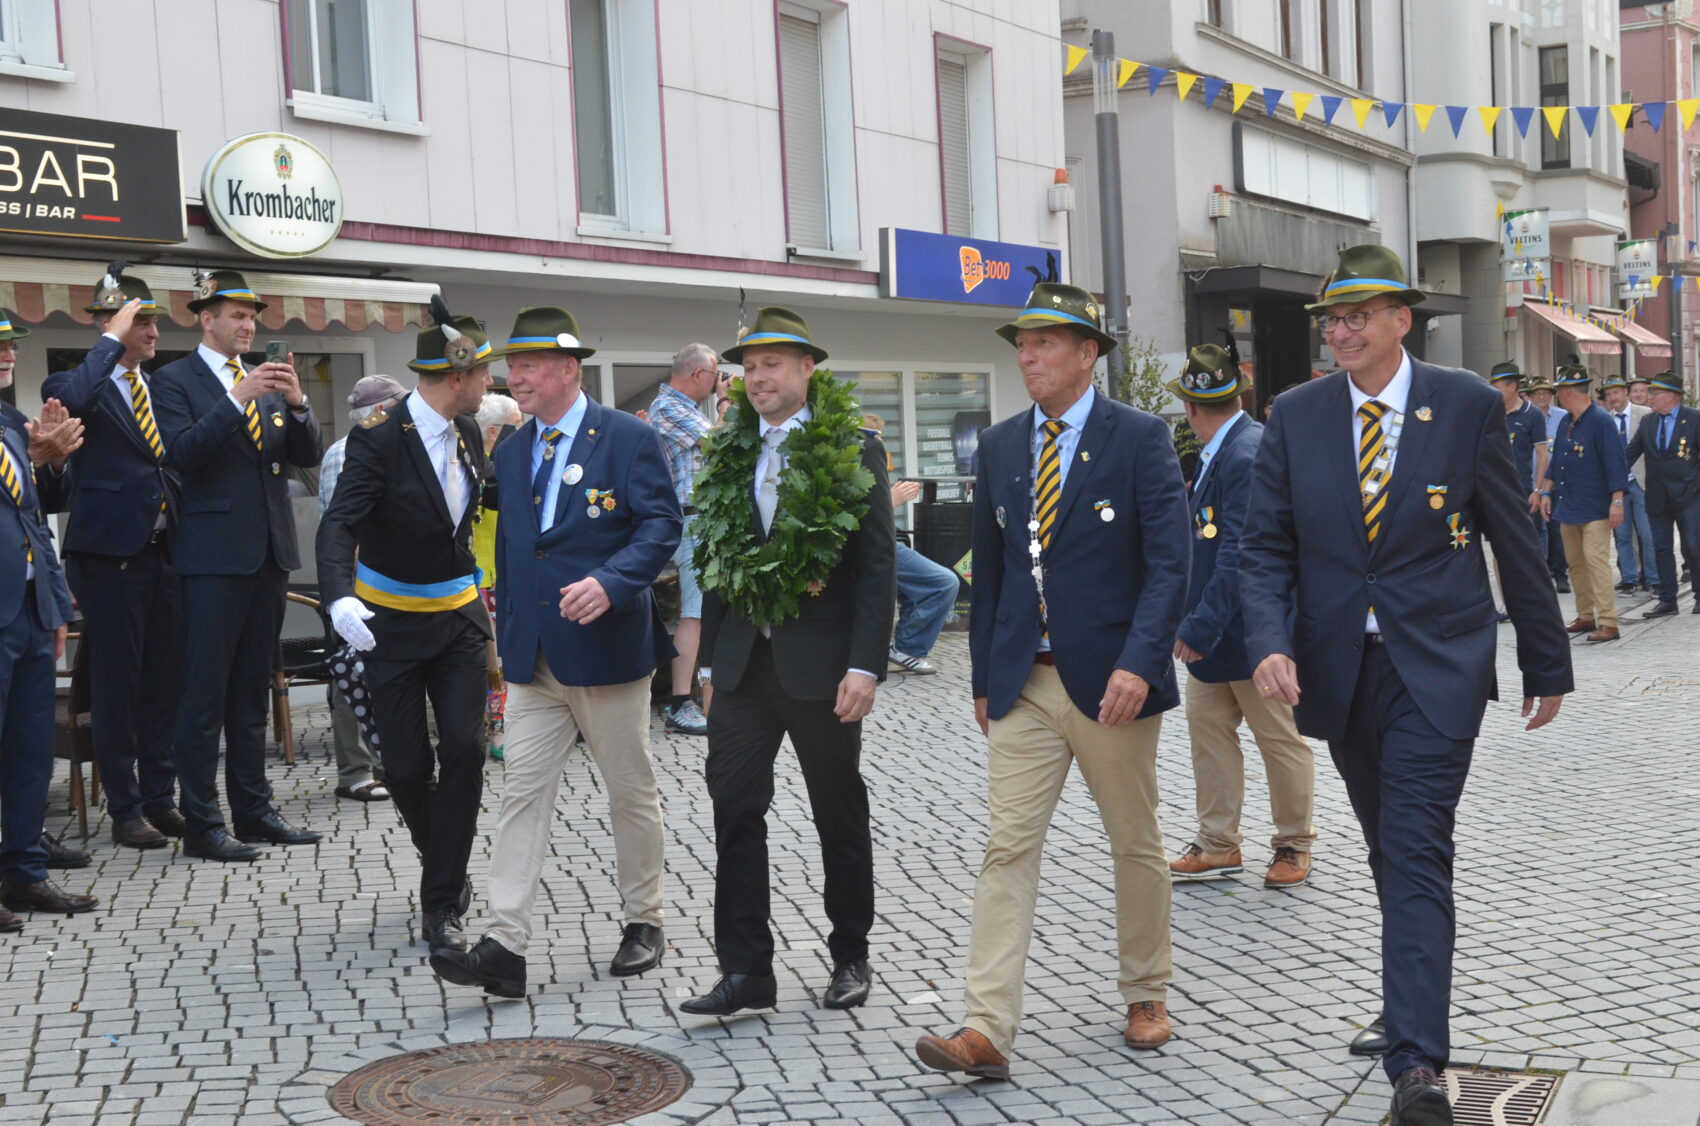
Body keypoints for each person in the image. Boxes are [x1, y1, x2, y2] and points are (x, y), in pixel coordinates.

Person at [1239, 245, 1572, 1126]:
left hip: (1439, 667)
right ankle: (1406, 994)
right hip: (1342, 672)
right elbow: (1265, 545)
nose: (1341, 332)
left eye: (1359, 316)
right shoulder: (1297, 415)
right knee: (1390, 846)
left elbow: (1509, 535)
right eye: (1331, 320)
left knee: (1418, 847)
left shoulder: (1462, 404)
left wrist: (1547, 661)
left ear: (1401, 321)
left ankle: (1417, 1063)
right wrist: (1268, 640)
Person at [914, 283, 1189, 1078]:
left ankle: (1145, 990)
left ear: (1087, 354)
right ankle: (985, 1028)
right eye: (1022, 345)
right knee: (1007, 847)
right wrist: (981, 679)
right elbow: (990, 574)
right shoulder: (1002, 447)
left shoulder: (1138, 439)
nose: (1028, 357)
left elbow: (1172, 565)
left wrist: (1140, 663)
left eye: (1045, 343)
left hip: (1111, 684)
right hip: (1024, 684)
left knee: (1133, 841)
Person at [432, 306, 680, 998]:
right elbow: (517, 554)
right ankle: (505, 945)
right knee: (520, 796)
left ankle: (644, 919)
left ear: (570, 371)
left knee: (629, 794)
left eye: (530, 365)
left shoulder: (627, 437)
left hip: (607, 654)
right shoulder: (510, 450)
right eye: (513, 366)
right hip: (533, 658)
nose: (516, 377)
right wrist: (505, 638)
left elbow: (662, 524)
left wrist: (612, 581)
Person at [681, 306, 895, 1017]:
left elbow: (875, 570)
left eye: (775, 364)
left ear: (808, 369)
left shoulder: (852, 449)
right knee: (735, 810)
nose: (760, 377)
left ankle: (850, 955)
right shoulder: (728, 450)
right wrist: (707, 667)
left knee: (838, 811)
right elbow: (715, 563)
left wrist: (865, 665)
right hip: (742, 668)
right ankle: (747, 972)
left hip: (822, 669)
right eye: (750, 366)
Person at [318, 300, 496, 963]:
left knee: (466, 750)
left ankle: (441, 900)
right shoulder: (378, 436)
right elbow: (339, 523)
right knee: (405, 766)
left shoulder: (470, 432)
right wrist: (338, 598)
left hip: (457, 621)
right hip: (385, 625)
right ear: (458, 373)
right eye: (485, 375)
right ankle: (442, 854)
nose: (490, 386)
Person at [150, 269, 325, 862]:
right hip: (210, 558)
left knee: (253, 690)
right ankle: (202, 823)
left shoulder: (270, 382)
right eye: (236, 315)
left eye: (253, 316)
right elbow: (180, 455)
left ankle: (253, 812)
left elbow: (307, 456)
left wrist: (298, 403)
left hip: (269, 552)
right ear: (206, 318)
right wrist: (237, 398)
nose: (248, 324)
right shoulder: (173, 380)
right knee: (204, 695)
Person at [41, 272, 187, 850]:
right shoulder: (79, 381)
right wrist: (110, 343)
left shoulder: (157, 386)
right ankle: (124, 807)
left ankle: (160, 796)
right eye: (140, 322)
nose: (153, 332)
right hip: (108, 555)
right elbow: (72, 402)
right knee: (117, 684)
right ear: (110, 324)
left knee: (162, 682)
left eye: (153, 321)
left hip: (164, 550)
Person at [1164, 344, 1316, 890]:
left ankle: (1294, 843)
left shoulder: (1245, 453)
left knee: (1278, 739)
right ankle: (1217, 843)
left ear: (1191, 407)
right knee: (1210, 737)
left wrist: (1199, 624)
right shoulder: (1227, 449)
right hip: (1219, 632)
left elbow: (1239, 554)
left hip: (1253, 634)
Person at [0, 308, 97, 929]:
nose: (8, 358)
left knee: (31, 750)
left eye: (11, 348)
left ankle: (26, 872)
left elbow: (35, 516)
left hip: (30, 613)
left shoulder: (11, 423)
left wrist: (57, 603)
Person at [316, 374, 407, 804]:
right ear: (378, 412)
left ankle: (388, 762)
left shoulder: (391, 444)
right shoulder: (346, 451)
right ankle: (355, 771)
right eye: (398, 404)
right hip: (355, 584)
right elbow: (346, 528)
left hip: (386, 579)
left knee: (383, 672)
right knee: (348, 674)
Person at [648, 344, 721, 735]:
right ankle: (680, 702)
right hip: (688, 521)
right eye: (715, 376)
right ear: (697, 374)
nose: (717, 384)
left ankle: (696, 695)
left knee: (701, 612)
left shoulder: (686, 411)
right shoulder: (668, 408)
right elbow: (721, 447)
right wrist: (726, 406)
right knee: (694, 614)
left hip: (700, 522)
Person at [862, 413, 959, 676]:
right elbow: (856, 515)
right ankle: (909, 649)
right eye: (876, 437)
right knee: (943, 582)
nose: (880, 443)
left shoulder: (868, 462)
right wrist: (891, 501)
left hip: (885, 541)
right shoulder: (855, 463)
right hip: (875, 545)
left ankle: (907, 647)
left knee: (928, 585)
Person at [1540, 365, 1628, 644]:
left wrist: (1617, 501)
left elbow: (1616, 463)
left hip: (1595, 506)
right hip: (1568, 504)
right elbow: (1556, 462)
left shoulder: (1601, 421)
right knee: (1576, 564)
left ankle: (1609, 621)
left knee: (1595, 561)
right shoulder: (1567, 421)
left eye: (1558, 391)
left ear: (1567, 392)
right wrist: (1545, 492)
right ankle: (1585, 615)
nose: (1557, 396)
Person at [1626, 370, 1700, 617]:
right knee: (1661, 547)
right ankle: (1668, 600)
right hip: (1657, 495)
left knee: (1693, 546)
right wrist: (1609, 476)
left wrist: (1696, 484)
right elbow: (1631, 452)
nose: (1650, 397)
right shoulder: (1648, 422)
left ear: (1672, 396)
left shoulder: (1694, 418)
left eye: (1655, 393)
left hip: (1689, 494)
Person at [1489, 363, 1549, 620]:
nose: (1493, 391)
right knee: (1498, 551)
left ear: (1513, 387)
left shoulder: (1532, 414)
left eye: (1497, 387)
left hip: (1523, 492)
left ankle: (1533, 602)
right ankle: (1508, 606)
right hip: (1493, 491)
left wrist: (1539, 489)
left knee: (1526, 549)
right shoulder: (1490, 412)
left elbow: (1543, 454)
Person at [1599, 376, 1657, 594]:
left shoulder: (1645, 415)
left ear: (1626, 392)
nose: (1613, 398)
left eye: (1616, 393)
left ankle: (1652, 578)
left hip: (1641, 482)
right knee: (1622, 535)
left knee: (1646, 533)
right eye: (1609, 394)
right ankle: (1629, 579)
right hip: (1618, 486)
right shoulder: (1605, 420)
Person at [472, 391, 522, 600]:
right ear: (493, 432)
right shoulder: (482, 468)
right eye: (517, 425)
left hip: (497, 572)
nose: (523, 430)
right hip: (487, 576)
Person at [1527, 376, 1570, 591]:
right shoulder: (1525, 416)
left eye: (1545, 392)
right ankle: (1541, 573)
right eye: (1537, 393)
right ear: (1529, 395)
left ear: (1552, 395)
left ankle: (1561, 573)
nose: (1541, 396)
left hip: (1556, 482)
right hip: (1532, 482)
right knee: (1535, 531)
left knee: (1557, 530)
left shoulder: (1564, 417)